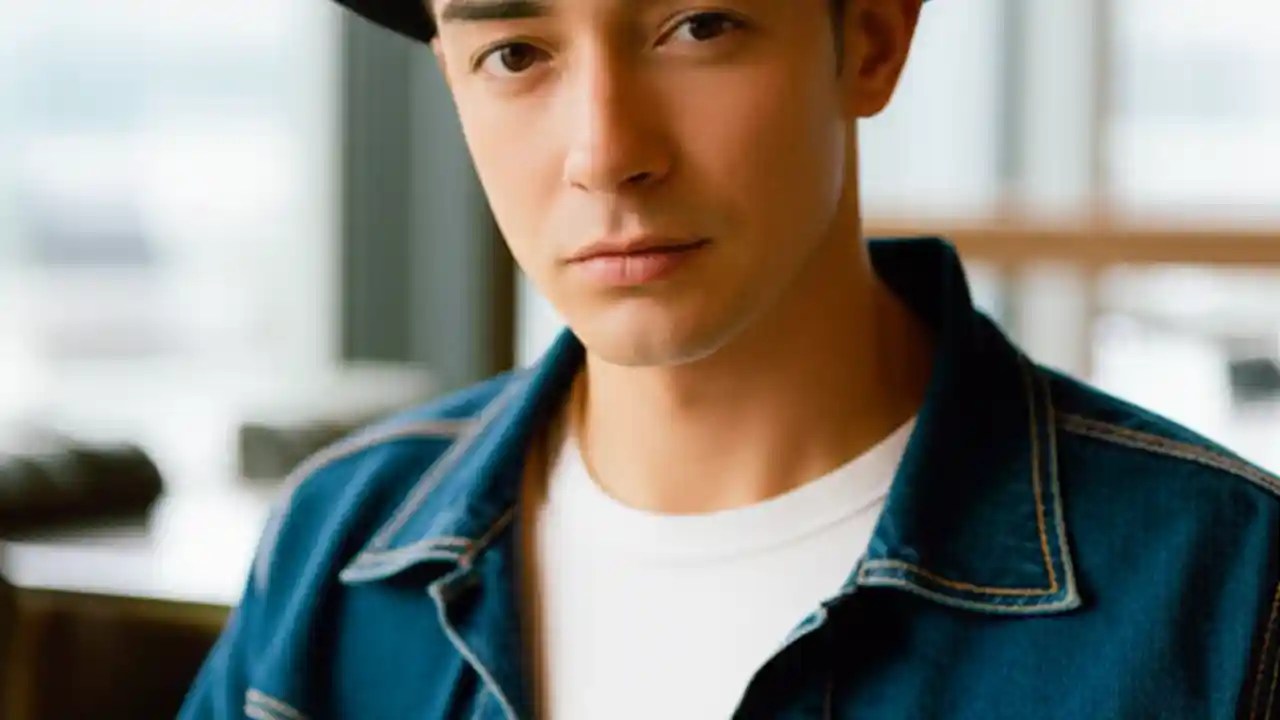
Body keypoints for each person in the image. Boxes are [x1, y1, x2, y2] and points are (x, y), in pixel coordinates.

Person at [180, 0, 1280, 718]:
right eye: (515, 54)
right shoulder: (338, 553)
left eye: (697, 26)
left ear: (872, 37)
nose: (606, 153)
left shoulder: (1222, 591)